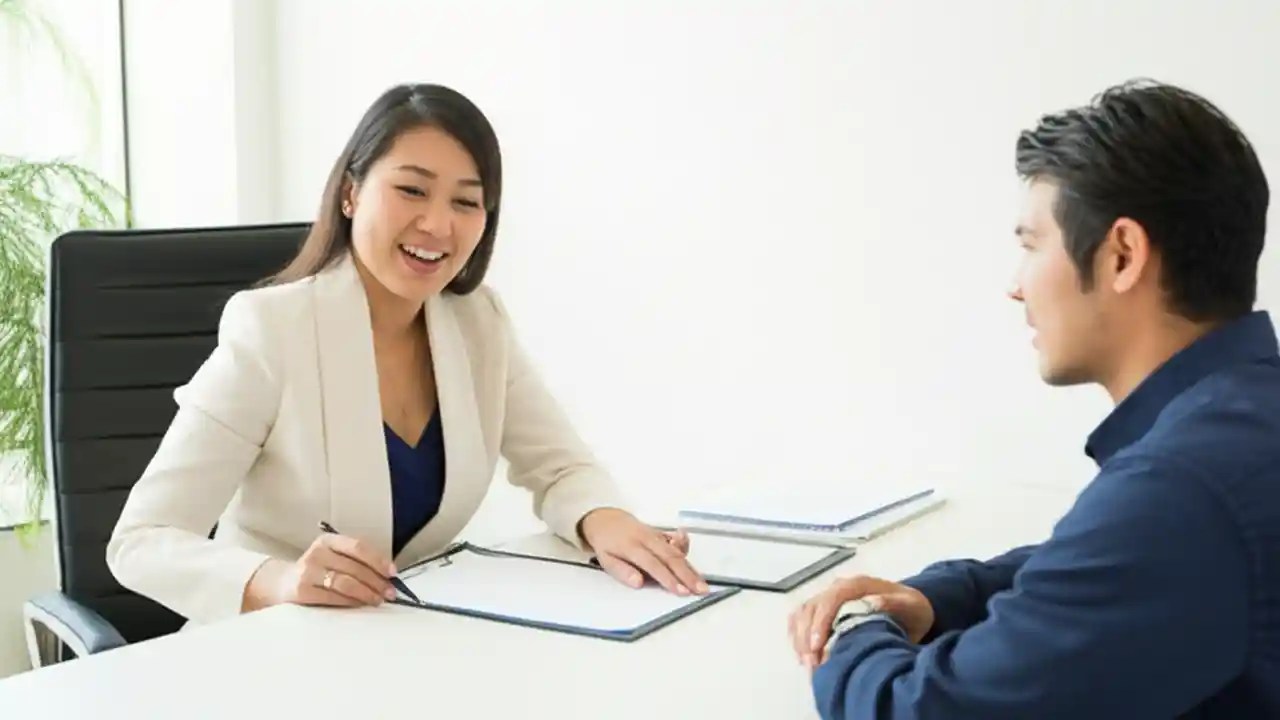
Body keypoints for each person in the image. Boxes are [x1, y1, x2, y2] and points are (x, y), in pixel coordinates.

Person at [107, 83, 708, 625]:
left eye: (466, 202)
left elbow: (560, 468)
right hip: (271, 648)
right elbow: (142, 539)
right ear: (350, 194)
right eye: (411, 189)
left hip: (405, 644)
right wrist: (282, 580)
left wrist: (603, 521)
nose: (437, 225)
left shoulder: (479, 324)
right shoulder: (273, 329)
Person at [789, 80, 1279, 718]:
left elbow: (923, 709)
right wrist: (940, 600)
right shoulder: (1241, 422)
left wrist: (853, 628)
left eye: (1029, 245)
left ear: (1122, 255)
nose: (1016, 287)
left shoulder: (1179, 488)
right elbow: (1096, 570)